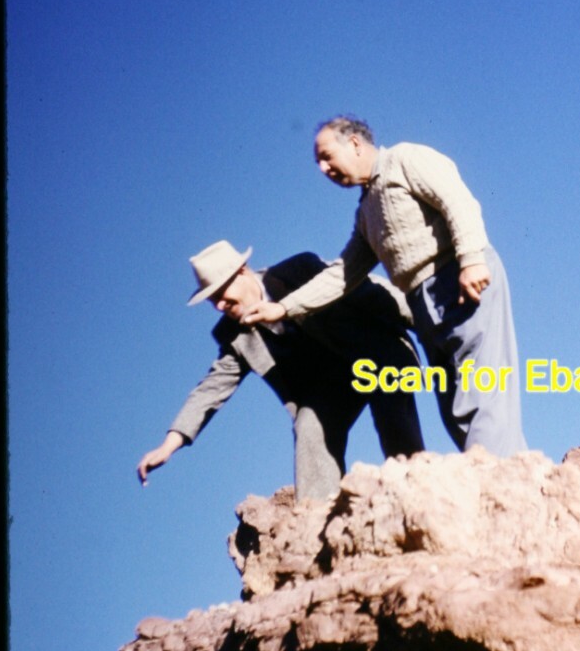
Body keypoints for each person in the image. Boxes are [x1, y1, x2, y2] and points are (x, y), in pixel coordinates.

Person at [242, 118, 527, 457]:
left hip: (461, 280)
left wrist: (471, 258)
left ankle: (499, 485)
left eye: (327, 156)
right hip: (423, 304)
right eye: (318, 162)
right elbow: (344, 273)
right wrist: (285, 308)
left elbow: (456, 199)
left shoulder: (404, 160)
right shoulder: (366, 211)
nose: (323, 168)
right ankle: (514, 485)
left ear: (355, 144)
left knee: (481, 392)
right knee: (454, 406)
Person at [137, 239, 424, 502]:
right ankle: (317, 519)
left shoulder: (298, 270)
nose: (220, 305)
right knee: (309, 424)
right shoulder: (234, 334)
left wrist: (428, 323)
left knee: (392, 402)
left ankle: (415, 486)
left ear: (242, 271)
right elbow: (210, 389)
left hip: (377, 353)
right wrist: (169, 445)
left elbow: (370, 291)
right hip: (333, 384)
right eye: (212, 300)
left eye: (221, 292)